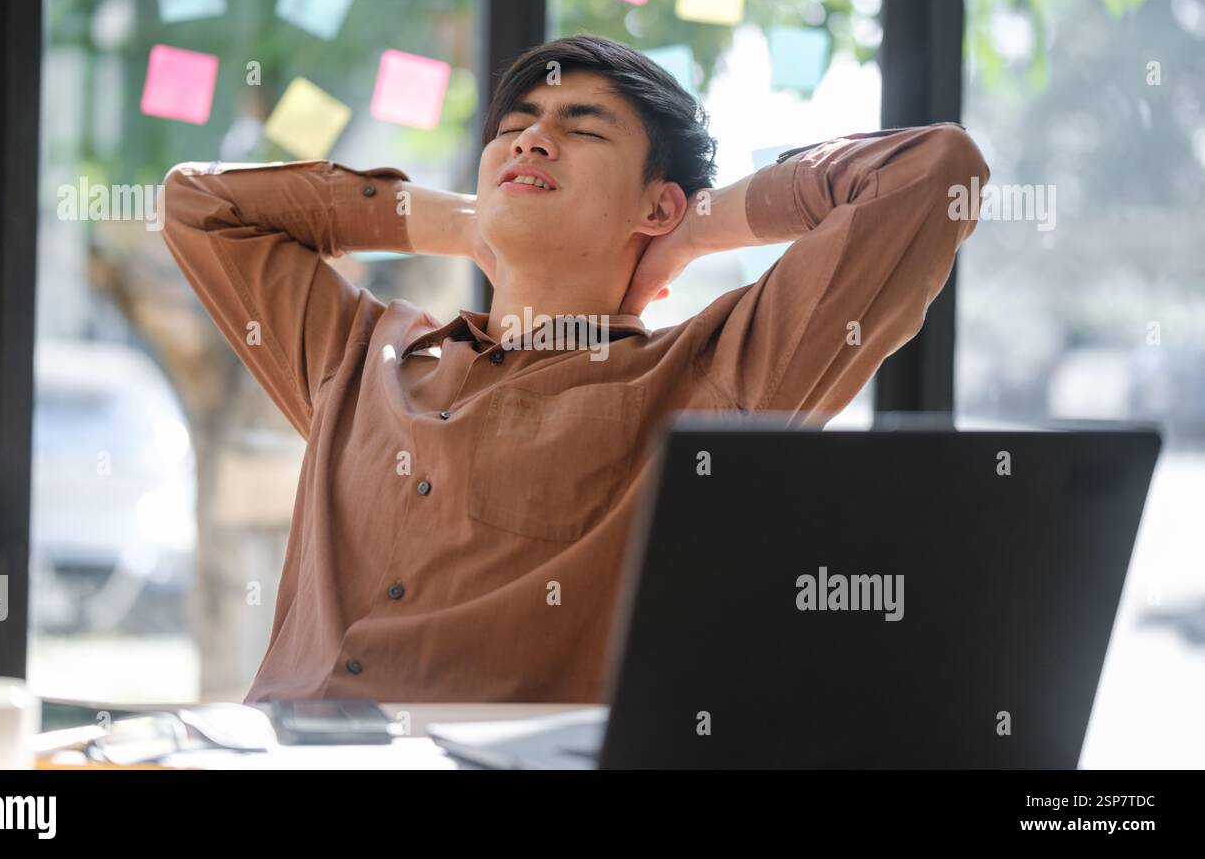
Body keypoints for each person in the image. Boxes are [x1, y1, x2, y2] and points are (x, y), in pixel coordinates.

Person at [159, 34, 989, 703]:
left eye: (582, 128)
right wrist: (462, 222)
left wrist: (698, 228)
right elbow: (200, 205)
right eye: (516, 125)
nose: (531, 136)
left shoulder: (715, 378)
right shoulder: (358, 355)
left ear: (656, 203)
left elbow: (931, 173)